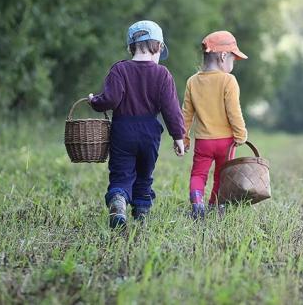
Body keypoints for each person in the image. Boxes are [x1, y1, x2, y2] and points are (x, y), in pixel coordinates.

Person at [89, 20, 185, 228]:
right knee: (144, 174)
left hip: (122, 130)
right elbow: (171, 109)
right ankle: (141, 214)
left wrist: (94, 101)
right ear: (159, 46)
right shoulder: (163, 74)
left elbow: (110, 99)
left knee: (121, 173)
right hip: (150, 133)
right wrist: (178, 136)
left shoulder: (119, 70)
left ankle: (118, 201)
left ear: (131, 47)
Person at [183, 31, 248, 219]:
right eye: (233, 59)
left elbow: (186, 114)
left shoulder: (192, 82)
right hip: (226, 143)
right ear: (223, 56)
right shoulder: (228, 80)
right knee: (222, 176)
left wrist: (184, 137)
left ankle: (197, 202)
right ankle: (215, 206)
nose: (233, 64)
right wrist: (240, 134)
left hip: (203, 142)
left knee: (198, 175)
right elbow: (233, 112)